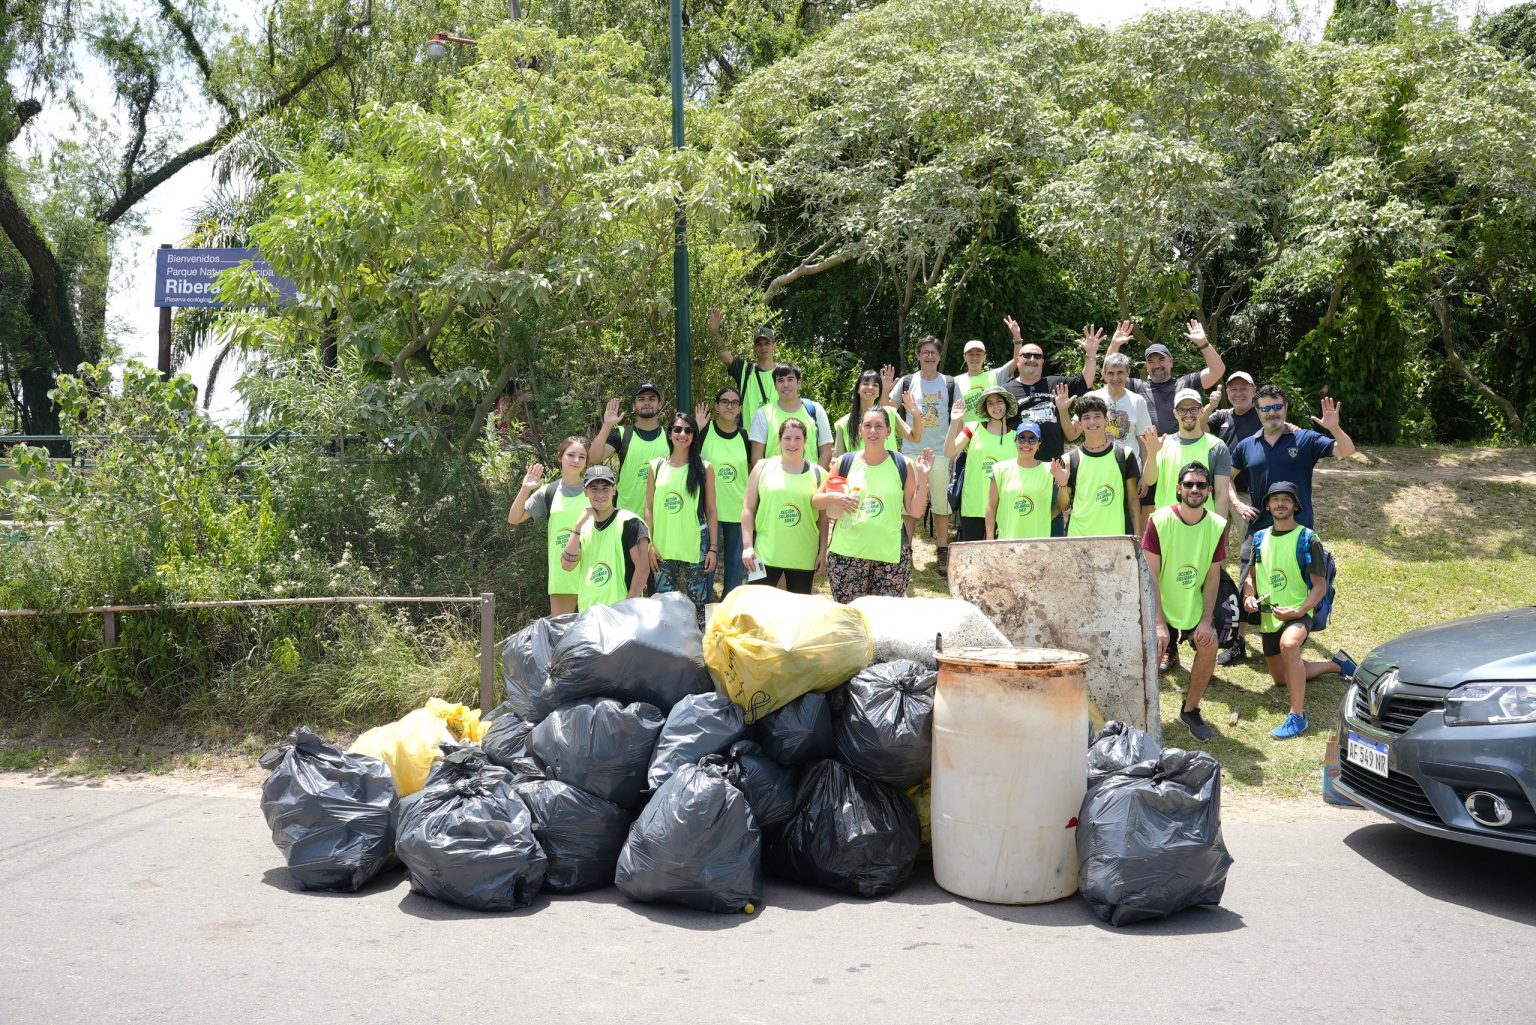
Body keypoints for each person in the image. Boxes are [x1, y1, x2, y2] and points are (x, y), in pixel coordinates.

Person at [1241, 481, 1358, 740]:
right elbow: (1251, 577)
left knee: (1289, 644)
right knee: (1281, 678)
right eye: (1275, 499)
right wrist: (1249, 596)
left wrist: (1298, 612)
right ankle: (1336, 665)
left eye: (1286, 499)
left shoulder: (1307, 538)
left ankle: (1297, 715)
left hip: (1300, 612)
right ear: (1267, 506)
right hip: (1271, 616)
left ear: (1295, 505)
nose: (1280, 504)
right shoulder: (1259, 538)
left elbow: (1319, 586)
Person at [1142, 462, 1228, 741]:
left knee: (1209, 644)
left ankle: (1190, 710)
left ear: (1209, 490)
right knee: (1153, 650)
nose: (1194, 489)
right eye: (1188, 484)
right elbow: (1150, 576)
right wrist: (1158, 623)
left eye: (1200, 485)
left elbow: (1213, 577)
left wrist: (1206, 620)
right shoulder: (1159, 520)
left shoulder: (1216, 525)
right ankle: (1144, 714)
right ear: (1178, 488)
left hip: (1192, 604)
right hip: (1160, 603)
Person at [815, 406, 935, 603]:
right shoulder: (845, 462)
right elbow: (817, 500)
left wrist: (923, 478)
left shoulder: (902, 464)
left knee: (884, 619)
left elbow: (914, 511)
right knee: (850, 616)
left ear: (888, 431)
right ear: (860, 429)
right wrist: (834, 498)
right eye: (868, 425)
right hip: (847, 556)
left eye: (879, 426)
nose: (873, 431)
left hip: (890, 558)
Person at [884, 335, 963, 575]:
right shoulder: (907, 382)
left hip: (941, 453)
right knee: (909, 506)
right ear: (918, 356)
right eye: (925, 352)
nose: (930, 356)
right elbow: (889, 412)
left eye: (934, 352)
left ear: (939, 356)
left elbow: (958, 420)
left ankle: (942, 551)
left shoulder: (950, 383)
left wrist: (955, 452)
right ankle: (905, 552)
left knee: (941, 506)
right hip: (911, 453)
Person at [741, 418, 829, 594]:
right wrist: (748, 546)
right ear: (779, 439)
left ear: (806, 440)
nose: (792, 444)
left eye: (798, 438)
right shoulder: (762, 467)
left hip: (803, 557)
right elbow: (748, 509)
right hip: (765, 555)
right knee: (757, 605)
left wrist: (822, 552)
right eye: (787, 438)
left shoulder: (818, 473)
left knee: (799, 608)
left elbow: (823, 518)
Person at [997, 315, 1098, 464]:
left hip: (1053, 465)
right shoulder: (1005, 391)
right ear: (1018, 361)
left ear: (1042, 362)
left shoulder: (1055, 383)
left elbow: (1085, 382)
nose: (1032, 359)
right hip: (1019, 466)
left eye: (1037, 356)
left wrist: (1091, 353)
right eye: (1027, 355)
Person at [644, 412, 718, 616]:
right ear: (669, 434)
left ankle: (701, 637)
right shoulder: (656, 466)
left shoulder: (704, 468)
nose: (682, 434)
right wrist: (650, 545)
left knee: (699, 606)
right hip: (662, 546)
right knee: (664, 607)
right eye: (677, 429)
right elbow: (648, 508)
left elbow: (711, 510)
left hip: (695, 545)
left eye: (688, 430)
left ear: (694, 436)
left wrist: (713, 548)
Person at [506, 436, 589, 615]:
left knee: (595, 630)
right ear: (560, 457)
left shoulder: (595, 491)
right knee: (561, 629)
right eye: (571, 455)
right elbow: (514, 518)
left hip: (592, 570)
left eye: (582, 456)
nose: (576, 460)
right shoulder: (548, 492)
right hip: (562, 574)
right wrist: (525, 488)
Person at [1106, 318, 1226, 435]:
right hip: (1150, 447)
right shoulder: (1138, 387)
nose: (1157, 365)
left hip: (1183, 446)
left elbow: (1217, 371)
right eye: (1151, 362)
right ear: (1147, 366)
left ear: (1171, 362)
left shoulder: (1186, 383)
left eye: (1161, 360)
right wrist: (1114, 344)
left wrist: (1203, 343)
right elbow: (1108, 375)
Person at [561, 466, 651, 610]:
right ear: (585, 492)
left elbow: (643, 568)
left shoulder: (630, 522)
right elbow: (567, 565)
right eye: (594, 489)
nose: (600, 494)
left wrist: (627, 608)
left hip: (620, 612)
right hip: (588, 613)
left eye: (605, 488)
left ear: (614, 489)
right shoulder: (584, 527)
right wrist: (577, 527)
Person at [1141, 388, 1233, 519]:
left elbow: (1221, 494)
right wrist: (1151, 454)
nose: (1188, 414)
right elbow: (1149, 481)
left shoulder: (1217, 446)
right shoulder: (1162, 443)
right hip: (1167, 523)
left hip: (1204, 524)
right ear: (1175, 413)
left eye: (1193, 409)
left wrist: (1219, 529)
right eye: (1182, 410)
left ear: (1202, 410)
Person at [944, 385, 1019, 542]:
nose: (995, 406)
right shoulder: (973, 428)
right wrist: (954, 422)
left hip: (1002, 507)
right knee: (972, 552)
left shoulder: (1017, 437)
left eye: (999, 401)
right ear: (985, 408)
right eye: (990, 403)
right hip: (973, 504)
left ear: (1006, 404)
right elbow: (949, 451)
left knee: (999, 553)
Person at [695, 388, 750, 599]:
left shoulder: (744, 436)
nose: (729, 406)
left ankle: (730, 606)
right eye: (724, 401)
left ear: (740, 408)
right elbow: (687, 458)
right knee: (707, 564)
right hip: (710, 510)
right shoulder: (705, 431)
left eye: (734, 402)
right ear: (716, 406)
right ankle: (704, 606)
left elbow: (752, 469)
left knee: (736, 565)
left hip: (738, 510)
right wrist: (697, 428)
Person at [1062, 394, 1141, 538]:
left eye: (1097, 416)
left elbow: (1133, 499)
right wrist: (1062, 484)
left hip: (1115, 537)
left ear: (1106, 420)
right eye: (1086, 417)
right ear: (1079, 423)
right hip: (1078, 538)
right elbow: (1064, 506)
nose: (1092, 422)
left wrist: (1137, 534)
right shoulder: (1069, 460)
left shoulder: (1124, 455)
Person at [589, 384, 671, 516]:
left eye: (652, 399)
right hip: (627, 514)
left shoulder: (670, 436)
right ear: (634, 406)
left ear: (660, 404)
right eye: (641, 399)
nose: (647, 403)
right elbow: (593, 458)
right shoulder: (623, 434)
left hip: (661, 515)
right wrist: (607, 425)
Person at [986, 421, 1069, 540]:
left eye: (1032, 439)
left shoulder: (1050, 470)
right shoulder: (999, 469)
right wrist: (989, 540)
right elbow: (991, 506)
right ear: (1015, 441)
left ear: (1039, 444)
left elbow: (1063, 506)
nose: (1026, 443)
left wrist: (1063, 484)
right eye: (1022, 438)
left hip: (1039, 543)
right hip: (1006, 542)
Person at [749, 363, 834, 467]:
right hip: (774, 476)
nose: (785, 385)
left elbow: (826, 451)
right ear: (775, 386)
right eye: (780, 380)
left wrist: (817, 475)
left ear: (799, 383)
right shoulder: (763, 414)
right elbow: (756, 456)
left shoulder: (815, 410)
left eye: (790, 379)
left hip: (810, 476)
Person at [709, 308, 778, 432]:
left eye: (767, 343)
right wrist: (714, 332)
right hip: (749, 439)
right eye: (759, 344)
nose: (763, 347)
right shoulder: (745, 370)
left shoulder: (784, 373)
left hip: (777, 438)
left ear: (774, 346)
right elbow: (723, 354)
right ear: (754, 348)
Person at [833, 367, 918, 457]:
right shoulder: (843, 423)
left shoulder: (890, 414)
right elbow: (838, 459)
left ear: (878, 393)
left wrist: (916, 415)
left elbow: (914, 437)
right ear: (858, 389)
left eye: (875, 385)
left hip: (890, 466)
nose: (870, 387)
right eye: (865, 384)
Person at [1086, 347, 1153, 460]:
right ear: (1104, 374)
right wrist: (1063, 410)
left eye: (1120, 372)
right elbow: (1073, 434)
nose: (1115, 378)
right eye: (1111, 373)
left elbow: (1143, 441)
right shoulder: (1091, 398)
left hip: (1130, 466)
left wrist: (1146, 470)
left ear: (1128, 373)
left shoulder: (1138, 401)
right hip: (1099, 462)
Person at [959, 339, 1000, 420]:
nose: (974, 357)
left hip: (991, 427)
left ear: (984, 357)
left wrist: (1017, 338)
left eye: (978, 354)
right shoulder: (955, 381)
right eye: (971, 354)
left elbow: (1016, 362)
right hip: (966, 428)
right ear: (964, 357)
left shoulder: (994, 375)